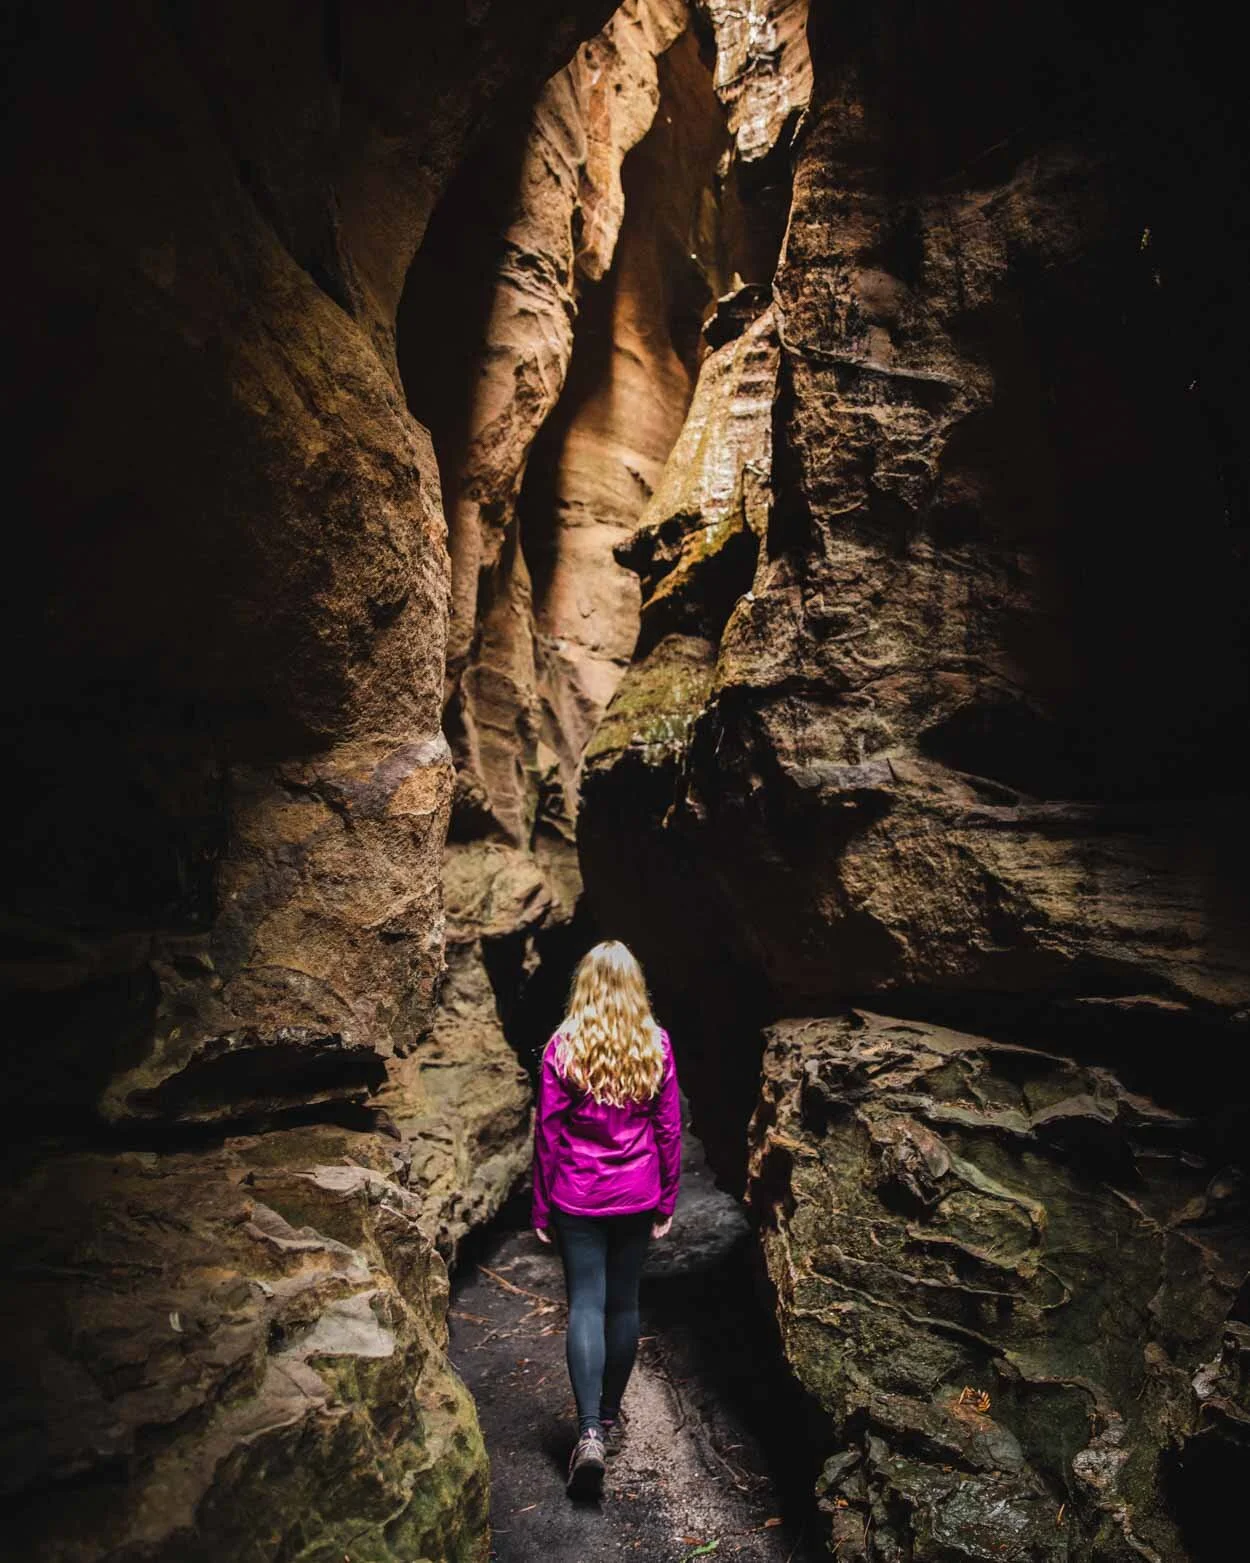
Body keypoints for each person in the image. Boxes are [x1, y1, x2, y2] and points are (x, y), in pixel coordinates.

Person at [531, 939, 682, 1497]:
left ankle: (588, 1432)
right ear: (634, 987)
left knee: (586, 1304)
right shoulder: (656, 1045)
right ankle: (610, 1418)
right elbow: (668, 1129)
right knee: (624, 1303)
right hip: (637, 1192)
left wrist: (541, 1205)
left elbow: (548, 1131)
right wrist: (666, 1198)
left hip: (578, 1195)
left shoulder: (563, 1047)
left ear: (585, 986)